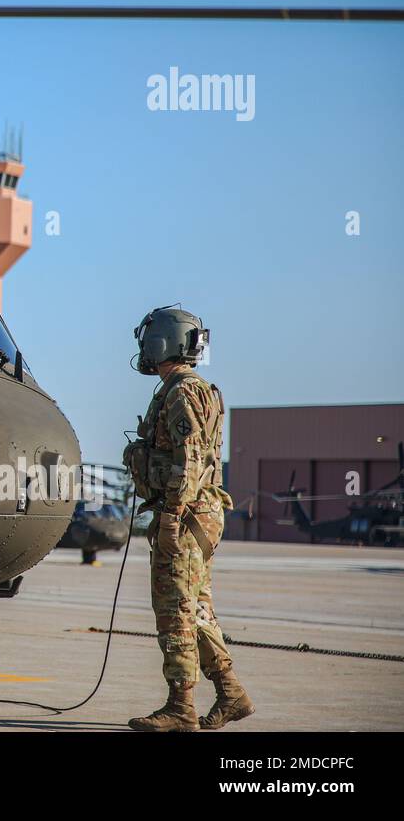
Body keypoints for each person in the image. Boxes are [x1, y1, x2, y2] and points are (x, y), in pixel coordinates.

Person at [123, 306, 254, 731]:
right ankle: (231, 693)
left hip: (186, 514)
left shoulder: (181, 391)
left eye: (148, 339)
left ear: (162, 341)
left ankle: (181, 708)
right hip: (201, 513)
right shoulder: (191, 388)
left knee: (175, 609)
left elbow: (190, 460)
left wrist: (171, 516)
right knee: (195, 608)